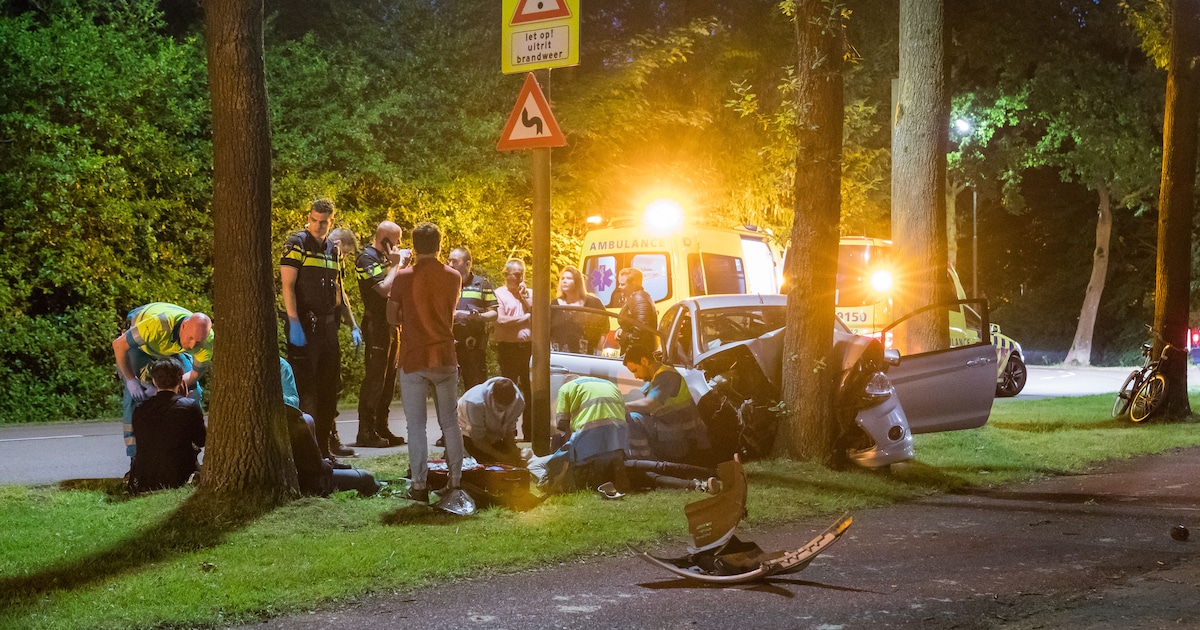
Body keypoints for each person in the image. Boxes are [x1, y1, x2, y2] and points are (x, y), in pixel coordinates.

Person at [387, 221, 464, 503]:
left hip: (414, 357)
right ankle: (455, 482)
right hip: (444, 355)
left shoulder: (404, 277)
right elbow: (450, 311)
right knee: (450, 422)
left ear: (414, 245)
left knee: (415, 425)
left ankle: (419, 485)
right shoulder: (454, 276)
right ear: (439, 245)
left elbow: (390, 316)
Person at [280, 198, 362, 459]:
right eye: (314, 220)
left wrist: (353, 325)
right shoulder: (297, 243)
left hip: (328, 328)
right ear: (309, 217)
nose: (318, 225)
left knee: (329, 391)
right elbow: (287, 286)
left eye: (323, 221)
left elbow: (340, 290)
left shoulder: (333, 250)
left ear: (331, 222)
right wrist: (293, 321)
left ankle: (325, 451)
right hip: (305, 325)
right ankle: (306, 453)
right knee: (306, 392)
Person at [112, 302, 212, 458]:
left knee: (194, 391)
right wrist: (131, 380)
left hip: (171, 348)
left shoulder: (206, 341)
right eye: (191, 338)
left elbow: (193, 376)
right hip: (142, 346)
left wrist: (168, 388)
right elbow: (118, 345)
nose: (192, 345)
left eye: (198, 342)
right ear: (184, 326)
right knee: (135, 395)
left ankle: (192, 447)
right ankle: (135, 457)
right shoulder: (157, 325)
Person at [352, 221, 410, 448]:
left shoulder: (387, 259)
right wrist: (398, 265)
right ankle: (365, 430)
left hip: (391, 324)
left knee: (388, 379)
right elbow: (384, 289)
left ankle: (381, 426)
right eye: (397, 240)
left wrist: (401, 266)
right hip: (376, 324)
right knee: (375, 378)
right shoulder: (367, 258)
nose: (399, 245)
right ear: (386, 239)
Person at [528, 376, 629, 495]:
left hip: (588, 443)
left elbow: (562, 424)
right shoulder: (611, 385)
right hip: (618, 444)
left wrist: (568, 453)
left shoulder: (566, 388)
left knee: (535, 465)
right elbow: (627, 417)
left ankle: (549, 482)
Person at [622, 345, 712, 467]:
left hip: (682, 440)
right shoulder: (658, 377)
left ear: (644, 361)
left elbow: (649, 405)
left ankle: (648, 465)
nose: (636, 376)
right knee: (633, 416)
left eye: (635, 370)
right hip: (675, 434)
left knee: (632, 418)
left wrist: (620, 406)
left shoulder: (666, 376)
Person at [128, 358, 206, 493]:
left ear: (154, 381)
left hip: (146, 478)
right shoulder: (189, 406)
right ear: (181, 379)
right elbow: (202, 440)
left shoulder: (140, 409)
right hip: (178, 477)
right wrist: (185, 399)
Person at [448, 247, 498, 391]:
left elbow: (494, 314)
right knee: (448, 390)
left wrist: (478, 317)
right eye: (449, 260)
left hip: (473, 348)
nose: (450, 264)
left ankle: (477, 414)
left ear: (467, 263)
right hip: (449, 346)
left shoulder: (482, 285)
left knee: (476, 389)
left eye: (454, 261)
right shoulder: (446, 284)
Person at [494, 258, 533, 439]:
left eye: (522, 274)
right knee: (508, 389)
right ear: (506, 275)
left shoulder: (529, 294)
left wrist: (525, 298)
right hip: (508, 349)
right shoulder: (499, 294)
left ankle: (530, 431)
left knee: (531, 390)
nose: (520, 278)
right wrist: (525, 318)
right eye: (517, 274)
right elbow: (501, 320)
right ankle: (508, 429)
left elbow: (539, 316)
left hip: (529, 349)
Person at [457, 377, 524, 466]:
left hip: (493, 434)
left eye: (507, 407)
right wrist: (501, 457)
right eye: (499, 407)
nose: (503, 409)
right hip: (467, 434)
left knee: (513, 460)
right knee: (490, 464)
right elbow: (477, 439)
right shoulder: (475, 403)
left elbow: (509, 430)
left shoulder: (519, 402)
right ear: (492, 396)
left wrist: (513, 451)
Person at [550, 265, 607, 355]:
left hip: (586, 357)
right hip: (559, 357)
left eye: (569, 278)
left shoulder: (593, 303)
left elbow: (604, 328)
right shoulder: (554, 305)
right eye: (563, 278)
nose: (564, 281)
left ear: (577, 282)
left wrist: (598, 351)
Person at [616, 267, 657, 354]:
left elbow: (641, 334)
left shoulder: (639, 299)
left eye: (622, 284)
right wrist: (622, 329)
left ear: (633, 284)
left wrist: (628, 353)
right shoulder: (635, 297)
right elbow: (634, 323)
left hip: (638, 357)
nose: (619, 287)